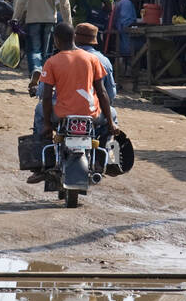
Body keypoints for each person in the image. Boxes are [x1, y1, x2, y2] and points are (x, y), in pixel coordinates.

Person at [25, 23, 117, 183]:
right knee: (113, 113)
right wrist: (110, 123)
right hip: (92, 115)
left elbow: (46, 97)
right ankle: (105, 157)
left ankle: (40, 165)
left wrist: (47, 125)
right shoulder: (93, 59)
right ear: (73, 37)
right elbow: (102, 93)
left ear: (56, 41)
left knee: (39, 109)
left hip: (62, 115)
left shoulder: (52, 62)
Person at [113, 0, 140, 77]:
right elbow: (127, 24)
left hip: (122, 40)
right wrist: (141, 24)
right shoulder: (127, 4)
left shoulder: (123, 2)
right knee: (149, 43)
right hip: (127, 42)